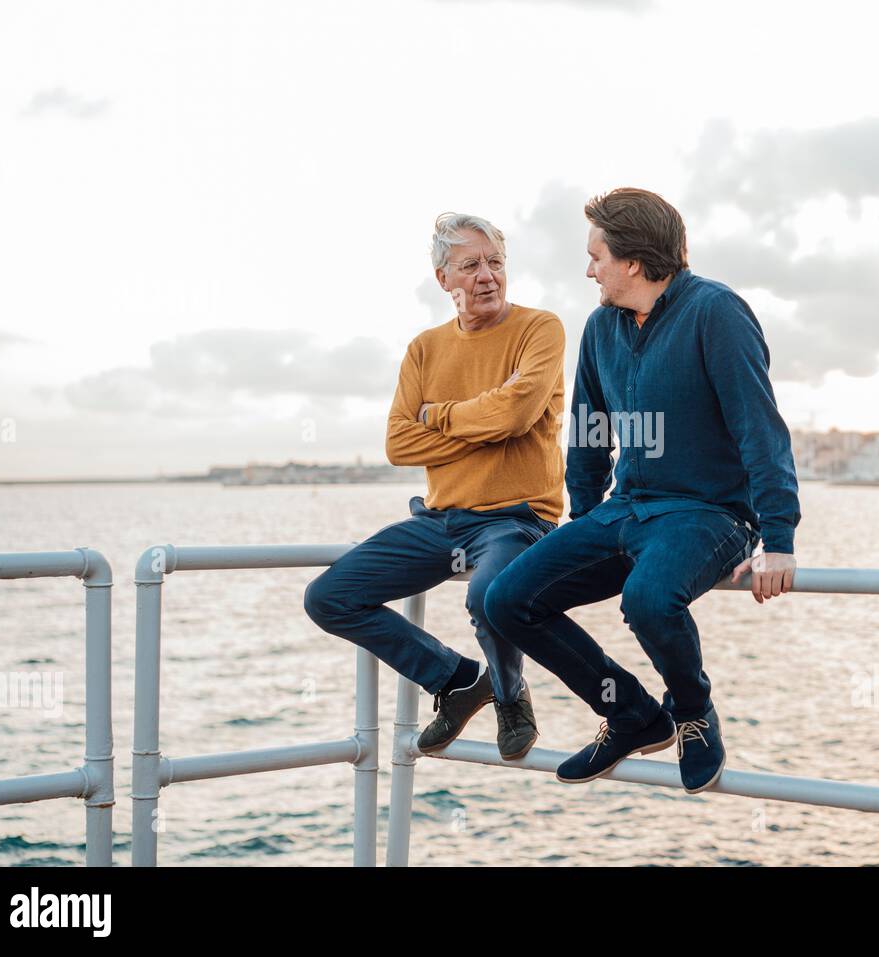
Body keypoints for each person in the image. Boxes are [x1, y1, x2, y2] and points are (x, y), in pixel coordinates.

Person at [484, 188, 800, 793]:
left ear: (631, 261)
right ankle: (630, 712)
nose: (589, 270)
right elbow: (588, 433)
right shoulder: (600, 327)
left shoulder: (716, 312)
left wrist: (779, 539)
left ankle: (692, 714)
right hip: (626, 509)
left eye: (596, 256)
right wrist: (582, 522)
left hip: (711, 514)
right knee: (508, 600)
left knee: (649, 600)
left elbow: (759, 429)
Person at [304, 212, 565, 761]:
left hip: (517, 518)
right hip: (441, 520)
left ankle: (511, 696)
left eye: (495, 262)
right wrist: (487, 430)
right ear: (444, 279)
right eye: (470, 266)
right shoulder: (424, 348)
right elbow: (399, 444)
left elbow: (515, 415)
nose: (487, 276)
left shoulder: (540, 329)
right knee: (329, 598)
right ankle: (457, 679)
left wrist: (440, 415)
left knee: (489, 596)